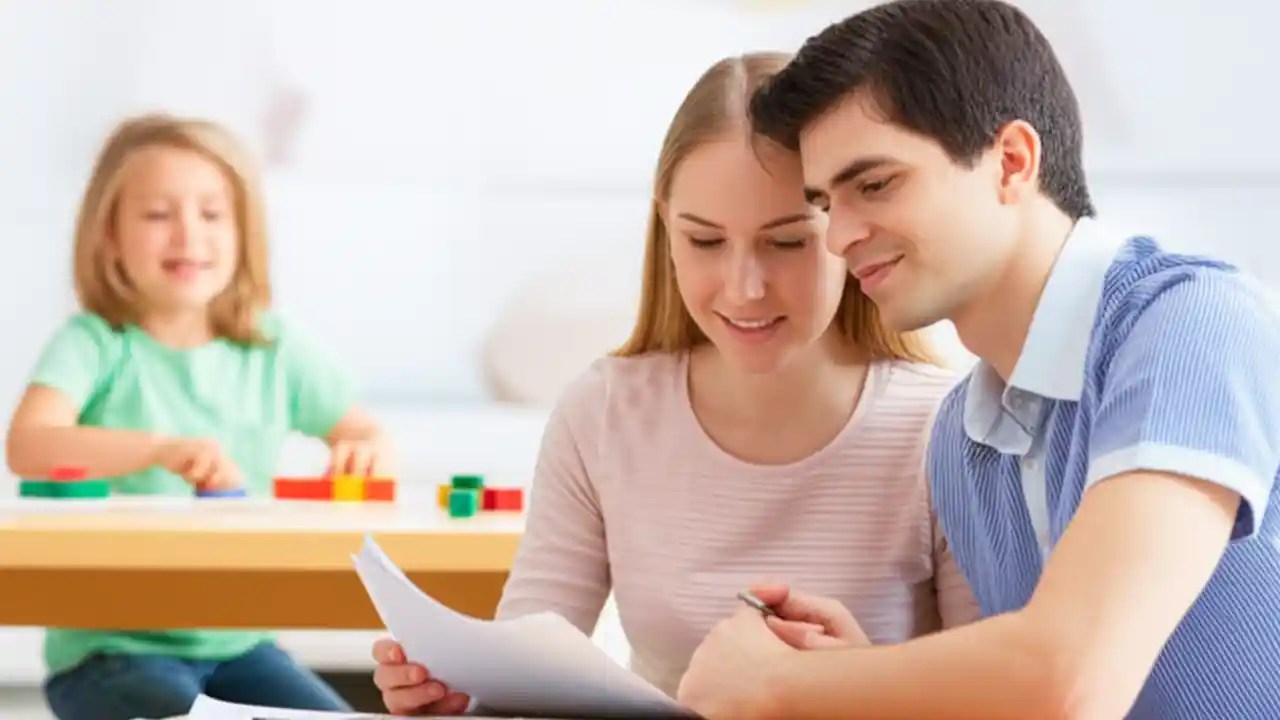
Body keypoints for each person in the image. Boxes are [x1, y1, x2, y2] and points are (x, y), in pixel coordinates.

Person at [675, 1, 1280, 719]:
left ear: (1012, 162)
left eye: (874, 185)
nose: (839, 236)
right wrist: (862, 673)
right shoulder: (963, 438)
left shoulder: (1190, 323)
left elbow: (1071, 681)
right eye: (826, 203)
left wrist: (776, 684)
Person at [369, 52, 978, 715]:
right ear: (667, 231)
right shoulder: (603, 413)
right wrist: (456, 705)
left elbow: (1002, 701)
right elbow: (524, 681)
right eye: (706, 242)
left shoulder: (943, 428)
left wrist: (860, 688)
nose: (745, 289)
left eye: (786, 242)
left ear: (847, 227)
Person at [5, 113, 391, 720]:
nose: (188, 235)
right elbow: (28, 444)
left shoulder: (274, 347)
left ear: (243, 234)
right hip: (109, 655)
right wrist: (157, 450)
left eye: (212, 215)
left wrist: (365, 451)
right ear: (109, 236)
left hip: (240, 648)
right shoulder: (98, 342)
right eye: (158, 215)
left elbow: (365, 431)